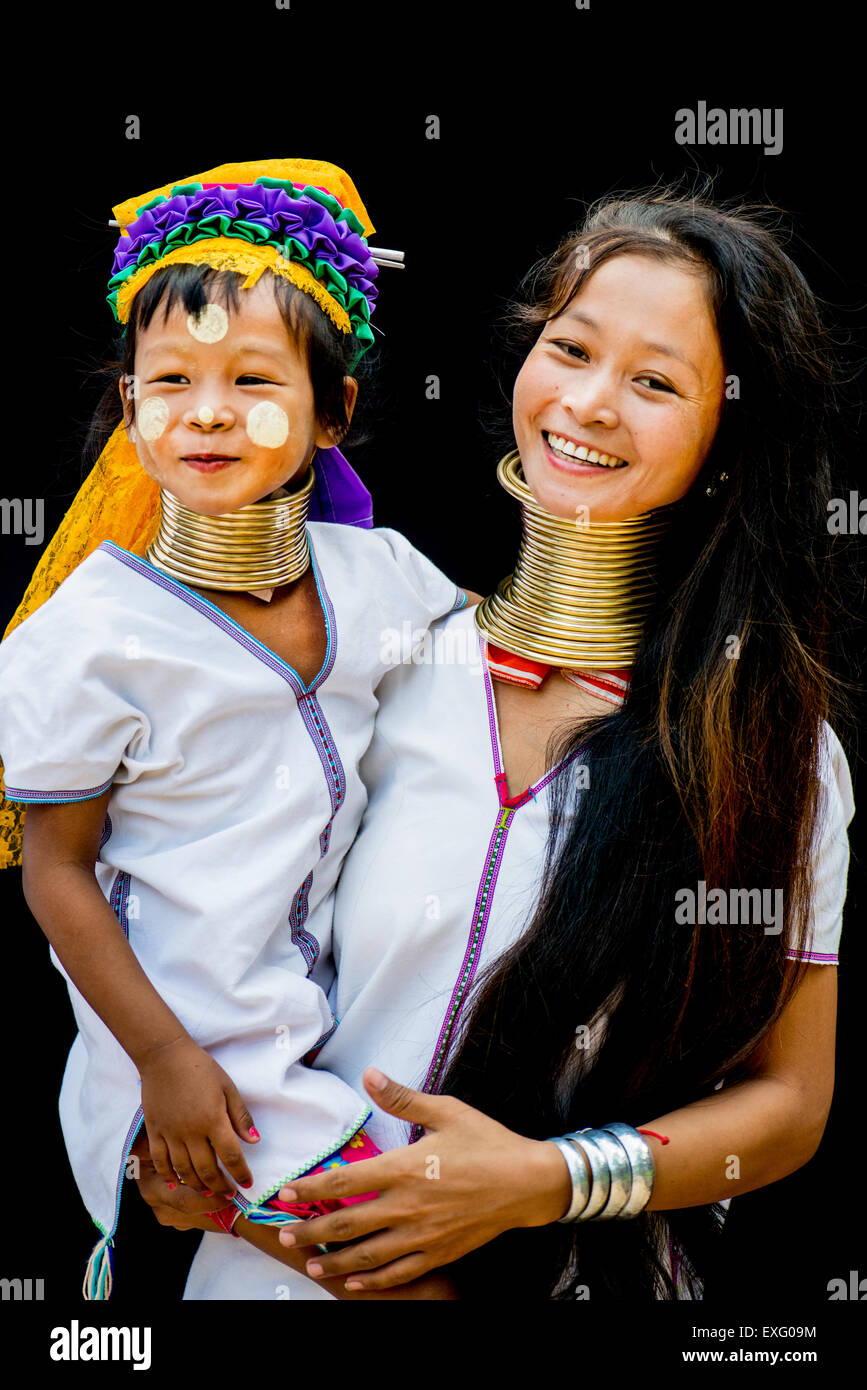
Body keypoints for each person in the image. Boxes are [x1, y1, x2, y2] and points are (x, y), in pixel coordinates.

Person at [137, 184, 855, 1302]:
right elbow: (207, 954)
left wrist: (542, 1180)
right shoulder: (364, 656)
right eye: (570, 349)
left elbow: (793, 1103)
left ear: (728, 441)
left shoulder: (768, 748)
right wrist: (174, 1142)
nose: (592, 402)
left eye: (656, 382)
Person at [0, 158, 466, 1300]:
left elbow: (504, 681)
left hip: (339, 1037)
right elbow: (53, 875)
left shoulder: (383, 579)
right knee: (403, 1276)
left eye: (253, 377)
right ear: (129, 405)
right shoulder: (85, 639)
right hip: (194, 1063)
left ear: (334, 411)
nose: (205, 412)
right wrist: (165, 1059)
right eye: (168, 380)